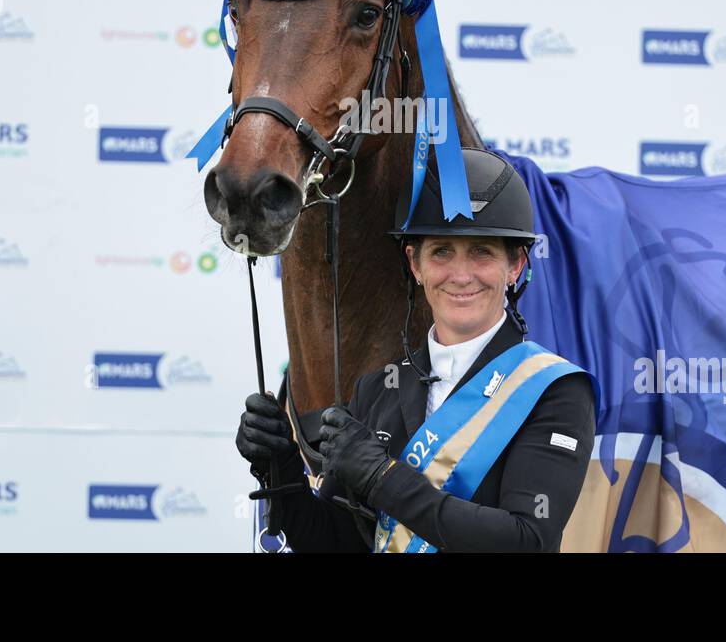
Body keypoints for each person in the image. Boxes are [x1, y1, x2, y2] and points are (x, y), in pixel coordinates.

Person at [235, 148, 598, 552]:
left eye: (482, 251)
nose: (461, 275)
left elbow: (526, 541)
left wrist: (382, 477)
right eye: (442, 251)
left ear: (514, 266)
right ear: (415, 264)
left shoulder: (554, 391)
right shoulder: (377, 389)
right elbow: (336, 543)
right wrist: (281, 469)